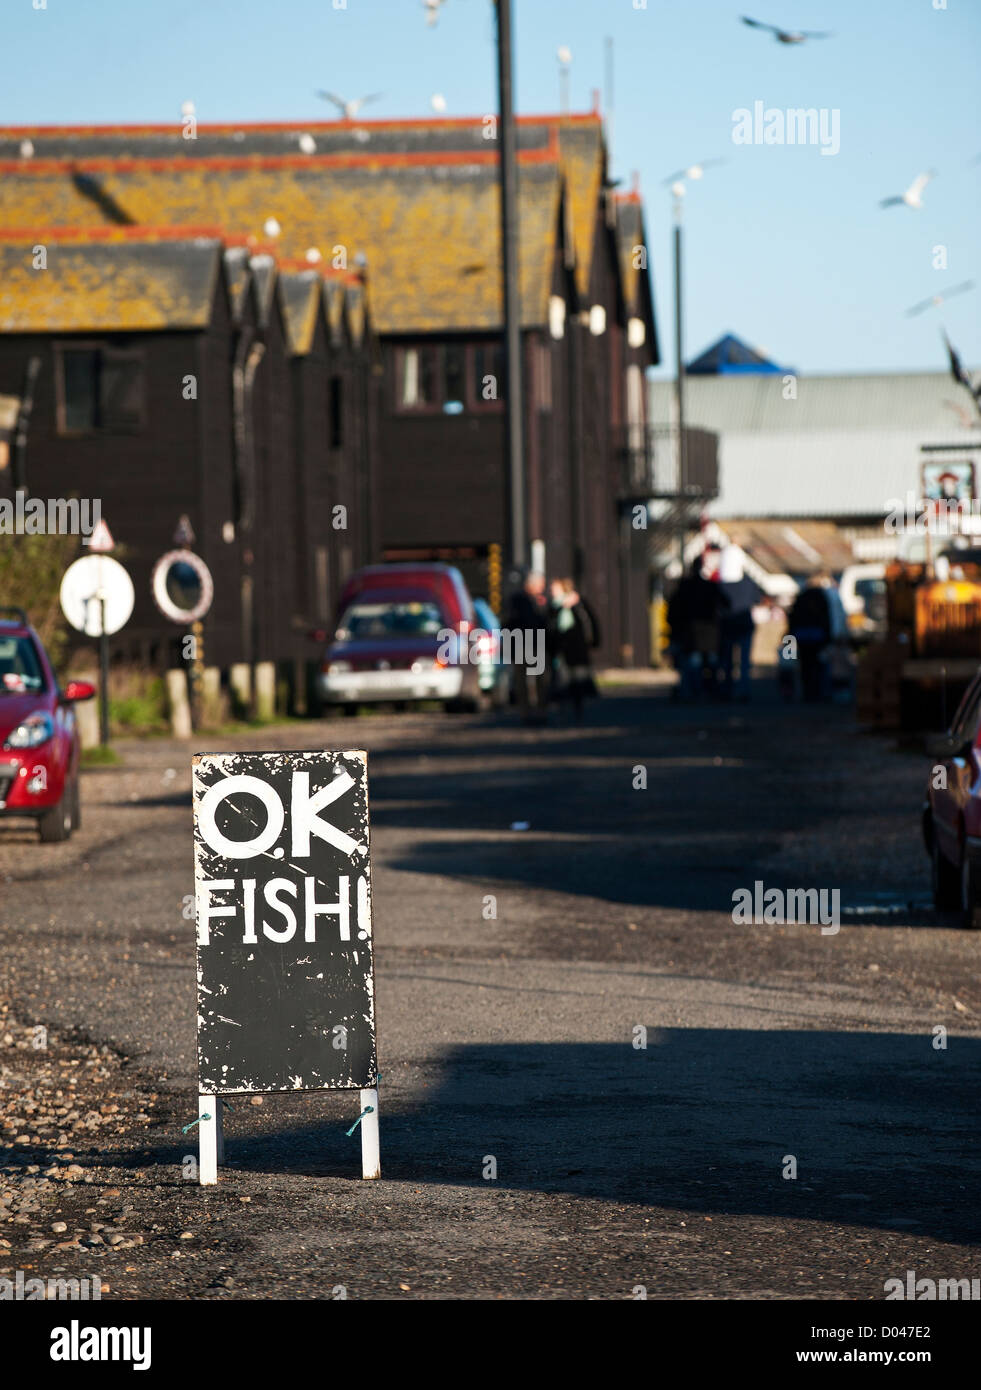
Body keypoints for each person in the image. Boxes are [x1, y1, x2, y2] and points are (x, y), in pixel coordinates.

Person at [667, 553, 730, 701]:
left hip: (691, 633)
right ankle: (710, 690)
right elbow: (727, 603)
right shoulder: (710, 587)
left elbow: (673, 611)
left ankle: (694, 691)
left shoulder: (684, 588)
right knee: (711, 664)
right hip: (709, 633)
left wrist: (675, 628)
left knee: (692, 664)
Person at [548, 578, 600, 721]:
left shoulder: (578, 604)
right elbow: (550, 625)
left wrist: (593, 642)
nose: (551, 592)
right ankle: (564, 709)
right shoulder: (554, 606)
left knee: (578, 680)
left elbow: (590, 622)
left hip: (577, 649)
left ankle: (578, 709)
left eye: (554, 589)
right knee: (562, 681)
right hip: (561, 650)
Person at [503, 569, 550, 723]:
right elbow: (510, 622)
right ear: (532, 584)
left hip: (537, 644)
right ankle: (526, 712)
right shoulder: (519, 600)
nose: (542, 588)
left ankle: (540, 711)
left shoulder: (540, 600)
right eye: (540, 585)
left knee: (541, 680)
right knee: (522, 680)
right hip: (522, 644)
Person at [718, 546, 763, 702]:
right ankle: (743, 690)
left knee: (727, 661)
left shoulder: (720, 584)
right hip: (744, 625)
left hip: (728, 626)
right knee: (744, 662)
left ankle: (727, 689)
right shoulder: (748, 582)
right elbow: (757, 599)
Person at [788, 576, 833, 702]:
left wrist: (790, 635)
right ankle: (818, 691)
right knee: (818, 664)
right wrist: (828, 636)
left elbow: (793, 618)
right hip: (817, 635)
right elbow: (826, 619)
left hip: (802, 636)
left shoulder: (801, 598)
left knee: (805, 665)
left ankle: (808, 691)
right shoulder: (822, 598)